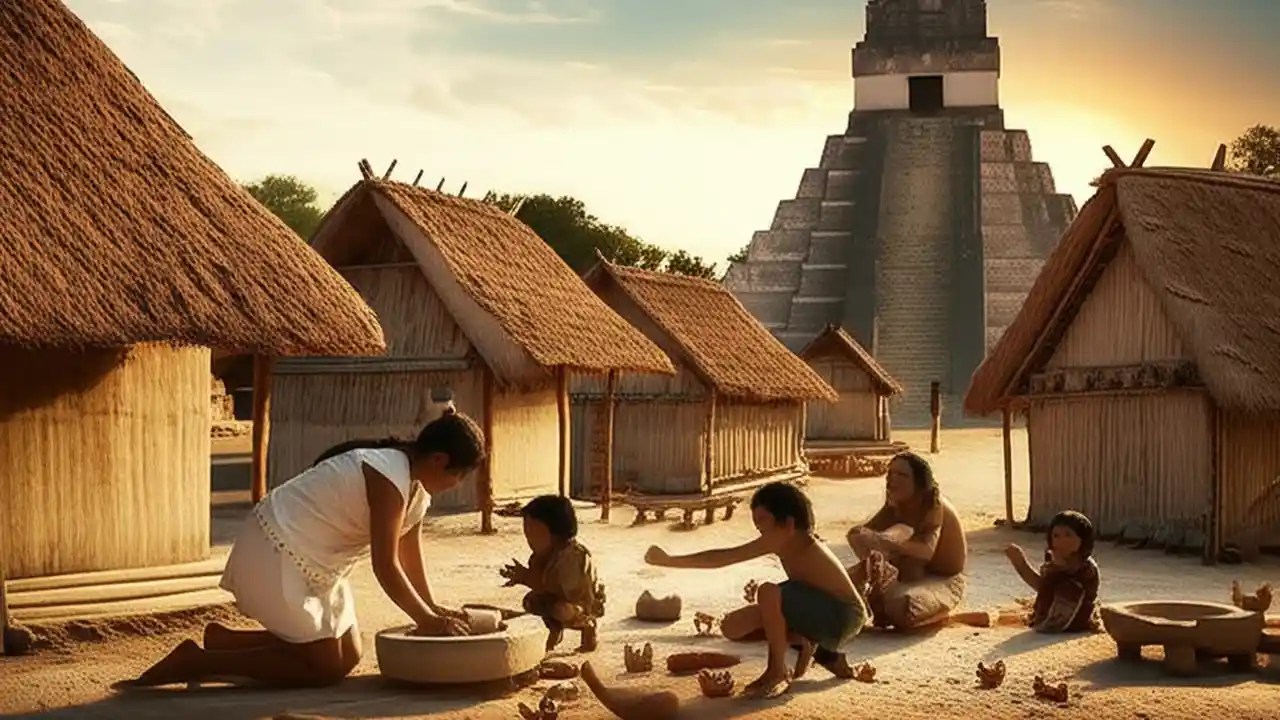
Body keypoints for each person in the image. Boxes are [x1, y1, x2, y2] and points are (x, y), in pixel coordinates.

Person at [126, 408, 487, 688]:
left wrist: (432, 609)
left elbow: (410, 557)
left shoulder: (416, 492)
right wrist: (427, 621)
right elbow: (386, 565)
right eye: (459, 475)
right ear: (439, 459)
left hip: (320, 565)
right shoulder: (388, 475)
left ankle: (226, 640)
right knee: (323, 666)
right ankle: (197, 661)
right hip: (276, 548)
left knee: (348, 655)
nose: (457, 484)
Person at [644, 482, 868, 699]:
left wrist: (669, 560)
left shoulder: (792, 540)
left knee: (768, 591)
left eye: (763, 521)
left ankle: (777, 670)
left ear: (788, 524)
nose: (758, 527)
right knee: (733, 626)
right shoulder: (786, 539)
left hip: (843, 615)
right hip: (818, 609)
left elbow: (724, 557)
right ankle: (811, 646)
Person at [845, 451, 968, 632]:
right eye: (890, 474)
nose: (892, 479)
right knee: (837, 587)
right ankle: (878, 588)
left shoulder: (932, 504)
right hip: (908, 573)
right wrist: (869, 544)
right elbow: (860, 534)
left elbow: (926, 551)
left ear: (918, 482)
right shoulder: (896, 501)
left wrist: (887, 543)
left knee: (903, 608)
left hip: (941, 579)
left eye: (901, 475)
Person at [500, 495, 605, 652]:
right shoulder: (541, 556)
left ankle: (587, 626)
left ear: (556, 535)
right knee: (533, 601)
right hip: (557, 598)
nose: (529, 541)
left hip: (581, 603)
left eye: (533, 535)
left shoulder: (573, 557)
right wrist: (523, 577)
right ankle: (554, 630)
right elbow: (541, 586)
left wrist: (527, 578)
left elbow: (564, 590)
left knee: (562, 610)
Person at [1005, 510, 1101, 633]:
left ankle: (1050, 623)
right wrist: (1020, 563)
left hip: (1075, 618)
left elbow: (1068, 591)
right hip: (1050, 612)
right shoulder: (1054, 558)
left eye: (1068, 535)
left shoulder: (1085, 568)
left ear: (1082, 539)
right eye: (1056, 536)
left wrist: (1058, 570)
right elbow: (1044, 588)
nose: (1062, 541)